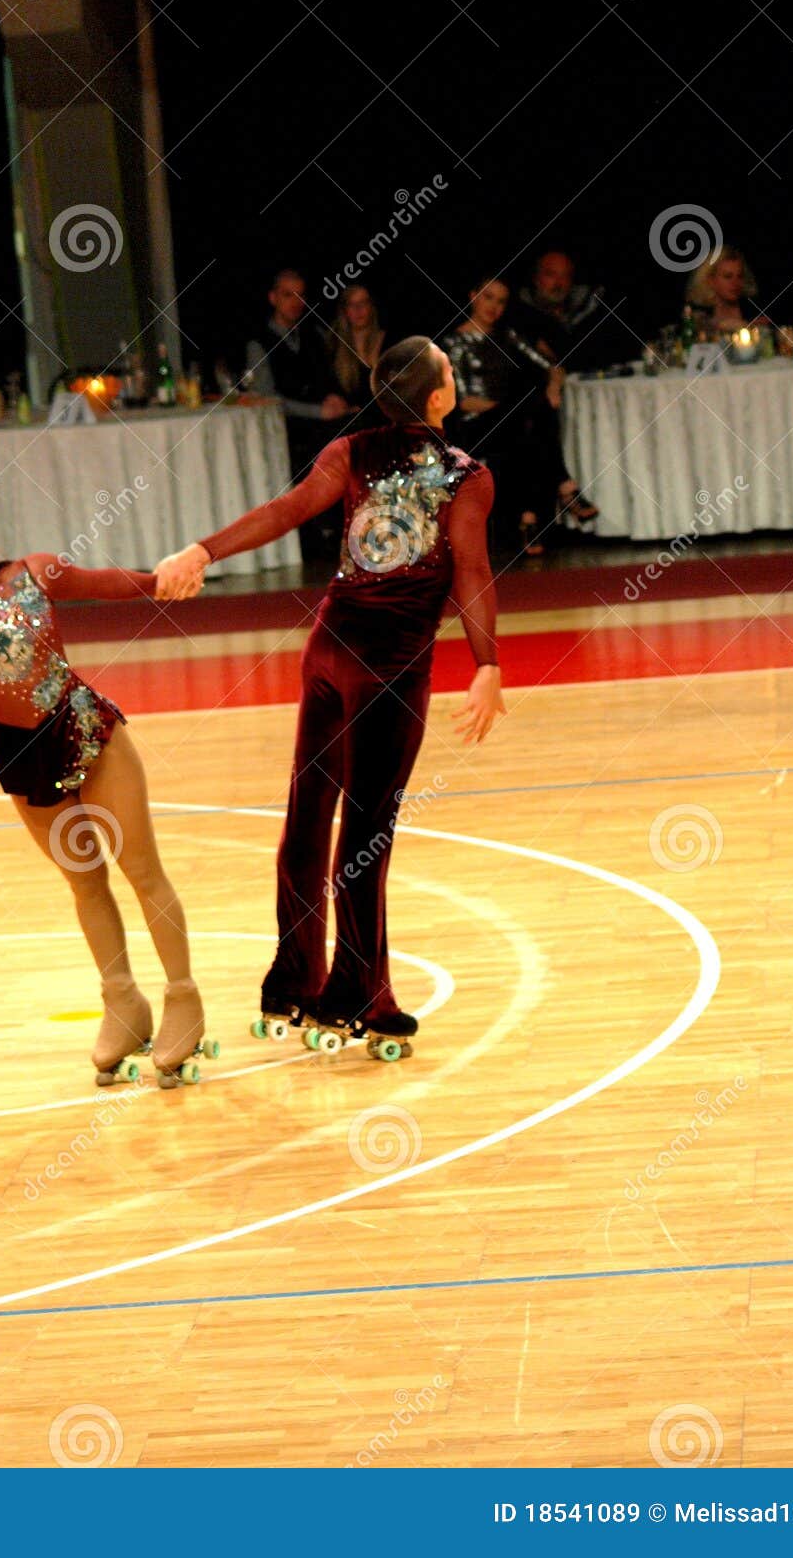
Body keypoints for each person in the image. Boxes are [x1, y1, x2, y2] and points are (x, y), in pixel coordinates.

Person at [154, 337, 503, 1053]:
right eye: (447, 368)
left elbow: (285, 512)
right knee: (367, 830)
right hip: (389, 668)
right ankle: (358, 997)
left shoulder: (349, 452)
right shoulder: (468, 476)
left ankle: (293, 982)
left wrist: (202, 551)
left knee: (309, 817)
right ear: (439, 397)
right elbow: (470, 568)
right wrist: (488, 663)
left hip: (326, 654)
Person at [0, 487, 212, 1089]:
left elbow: (107, 583)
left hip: (85, 734)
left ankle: (183, 998)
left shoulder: (35, 572)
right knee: (85, 881)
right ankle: (124, 1002)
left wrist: (165, 580)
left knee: (141, 871)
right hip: (20, 758)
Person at [443, 277, 596, 555]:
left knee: (527, 430)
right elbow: (465, 401)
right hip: (478, 424)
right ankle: (565, 489)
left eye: (501, 301)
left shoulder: (507, 336)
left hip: (511, 423)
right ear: (473, 296)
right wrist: (509, 411)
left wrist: (552, 387)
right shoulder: (456, 342)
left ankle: (528, 520)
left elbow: (552, 366)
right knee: (527, 416)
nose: (494, 307)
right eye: (488, 298)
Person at [245, 269, 349, 556]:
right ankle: (320, 530)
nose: (295, 302)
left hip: (321, 418)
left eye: (300, 295)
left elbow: (326, 377)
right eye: (287, 295)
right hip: (287, 424)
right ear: (273, 298)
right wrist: (318, 411)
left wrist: (334, 398)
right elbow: (268, 399)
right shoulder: (260, 342)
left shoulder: (312, 335)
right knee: (327, 441)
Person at [515, 250, 614, 369]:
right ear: (536, 279)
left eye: (565, 276)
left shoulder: (592, 309)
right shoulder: (518, 315)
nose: (559, 284)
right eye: (550, 274)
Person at [327, 283, 389, 415]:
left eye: (363, 302)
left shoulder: (388, 342)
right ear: (344, 310)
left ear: (371, 306)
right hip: (352, 424)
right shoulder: (333, 347)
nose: (358, 309)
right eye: (351, 304)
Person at [684, 246, 762, 333]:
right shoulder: (698, 313)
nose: (735, 283)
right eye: (727, 276)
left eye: (740, 276)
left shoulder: (755, 309)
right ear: (711, 280)